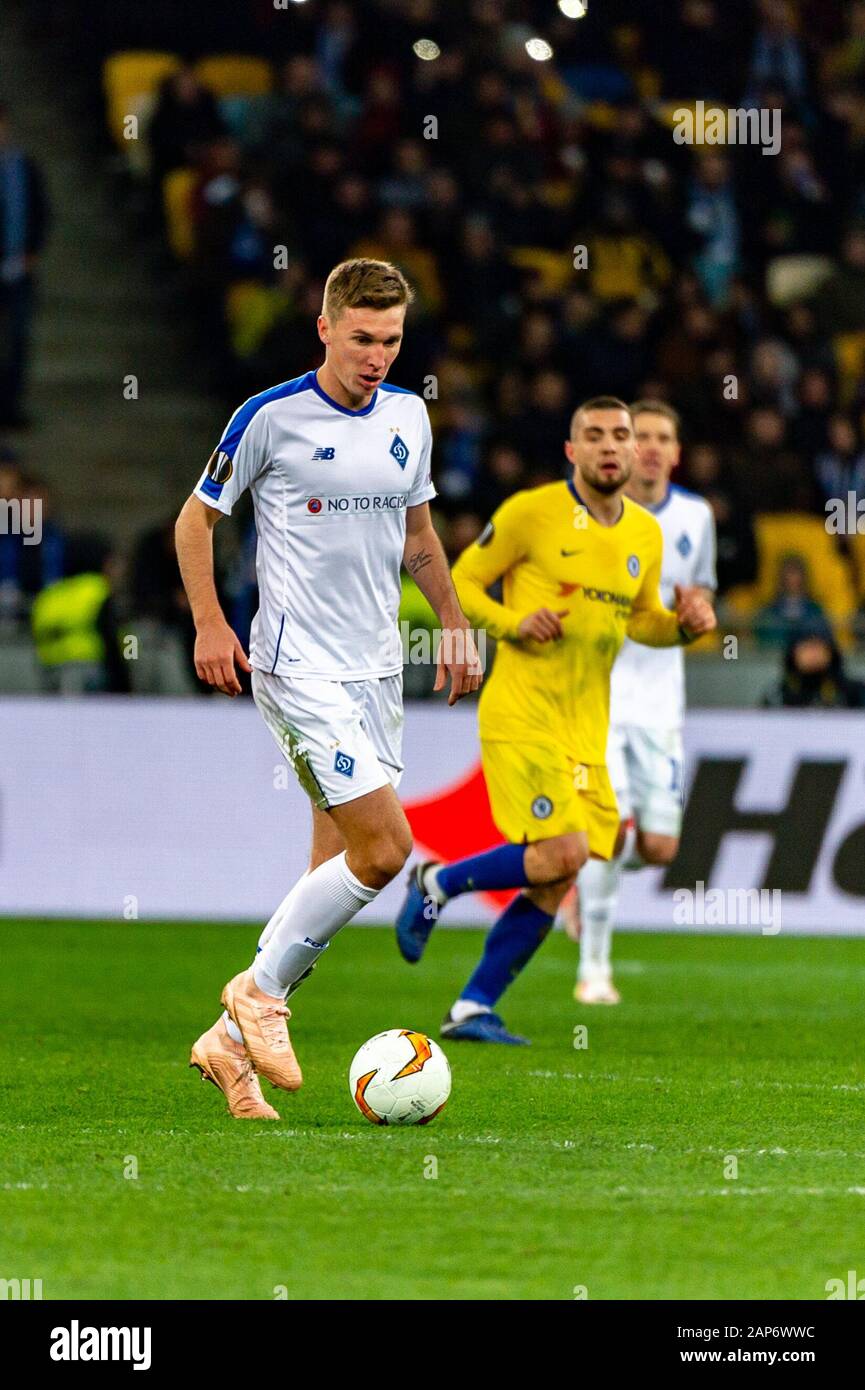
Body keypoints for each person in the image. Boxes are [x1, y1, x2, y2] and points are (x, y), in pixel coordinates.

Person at [175, 258, 481, 1120]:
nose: (376, 356)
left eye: (389, 340)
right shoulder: (269, 418)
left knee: (334, 869)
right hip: (295, 664)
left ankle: (228, 1044)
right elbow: (194, 519)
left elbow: (416, 530)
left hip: (375, 668)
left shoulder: (408, 416)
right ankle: (259, 998)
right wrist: (209, 623)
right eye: (360, 339)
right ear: (324, 329)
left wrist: (452, 620)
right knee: (385, 851)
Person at [394, 397, 716, 1044]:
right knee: (562, 851)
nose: (608, 446)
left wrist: (682, 627)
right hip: (522, 712)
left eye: (618, 436)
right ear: (571, 451)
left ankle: (472, 1007)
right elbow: (465, 581)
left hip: (587, 724)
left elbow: (640, 622)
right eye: (592, 435)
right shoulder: (530, 512)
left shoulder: (643, 535)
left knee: (561, 870)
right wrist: (516, 623)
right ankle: (438, 880)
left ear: (631, 453)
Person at [567, 401, 716, 1004]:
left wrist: (696, 616)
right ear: (625, 449)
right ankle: (593, 971)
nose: (650, 447)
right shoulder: (591, 515)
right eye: (641, 436)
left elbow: (699, 600)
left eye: (663, 437)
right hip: (599, 697)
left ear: (676, 453)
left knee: (657, 847)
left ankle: (580, 882)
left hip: (662, 702)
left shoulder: (696, 516)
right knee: (609, 833)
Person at [0, 103, 50, 427]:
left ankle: (10, 406)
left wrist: (32, 250)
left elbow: (41, 211)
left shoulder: (24, 167)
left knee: (17, 340)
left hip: (18, 269)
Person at [762, 626, 865, 709]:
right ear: (793, 653)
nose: (813, 654)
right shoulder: (777, 695)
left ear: (831, 652)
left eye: (818, 647)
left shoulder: (853, 692)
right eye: (806, 647)